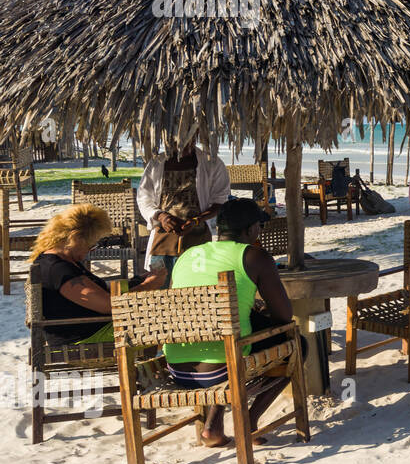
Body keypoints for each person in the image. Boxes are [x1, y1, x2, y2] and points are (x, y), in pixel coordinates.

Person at [166, 198, 298, 447]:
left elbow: (184, 309)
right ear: (250, 230)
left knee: (226, 337)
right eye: (259, 226)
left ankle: (213, 426)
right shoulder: (254, 256)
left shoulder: (187, 255)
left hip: (177, 366)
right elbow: (283, 316)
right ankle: (249, 418)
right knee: (296, 343)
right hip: (222, 368)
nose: (260, 231)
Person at [29, 204, 166, 346]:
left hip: (94, 328)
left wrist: (137, 281)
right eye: (91, 245)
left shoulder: (61, 260)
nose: (92, 250)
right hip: (84, 339)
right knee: (164, 322)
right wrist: (149, 285)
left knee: (161, 315)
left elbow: (101, 292)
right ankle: (176, 364)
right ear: (75, 238)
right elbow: (108, 305)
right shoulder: (58, 269)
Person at [137, 141, 231, 278]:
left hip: (198, 237)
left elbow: (221, 201)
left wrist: (197, 220)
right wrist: (162, 217)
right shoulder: (157, 163)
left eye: (189, 139)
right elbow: (144, 198)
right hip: (163, 239)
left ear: (197, 134)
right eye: (177, 141)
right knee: (160, 287)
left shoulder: (212, 163)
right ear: (167, 137)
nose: (183, 144)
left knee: (196, 286)